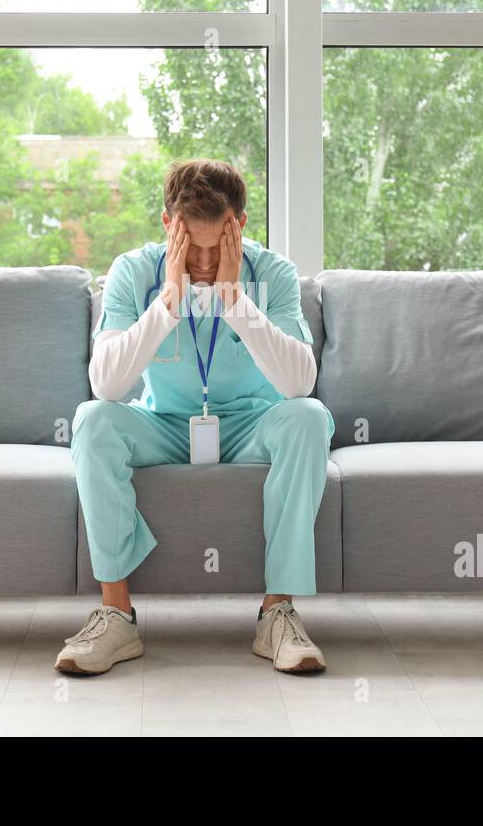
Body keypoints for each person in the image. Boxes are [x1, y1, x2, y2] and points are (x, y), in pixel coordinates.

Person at [57, 159, 336, 675]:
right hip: (163, 423)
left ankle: (278, 614)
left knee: (308, 417)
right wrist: (167, 302)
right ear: (168, 224)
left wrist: (235, 300)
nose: (205, 262)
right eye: (193, 245)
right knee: (93, 419)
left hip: (251, 424)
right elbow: (108, 385)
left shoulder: (271, 271)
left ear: (240, 224)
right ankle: (116, 615)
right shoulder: (132, 271)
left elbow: (299, 383)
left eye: (217, 246)